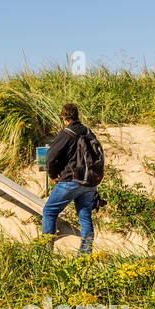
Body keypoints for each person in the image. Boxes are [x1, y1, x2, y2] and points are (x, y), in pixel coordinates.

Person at [42, 103, 103, 254]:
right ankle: (84, 255)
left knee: (49, 211)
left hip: (72, 180)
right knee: (85, 218)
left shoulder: (67, 133)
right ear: (77, 115)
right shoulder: (88, 132)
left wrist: (53, 176)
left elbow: (50, 157)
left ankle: (46, 254)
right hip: (90, 182)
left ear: (64, 118)